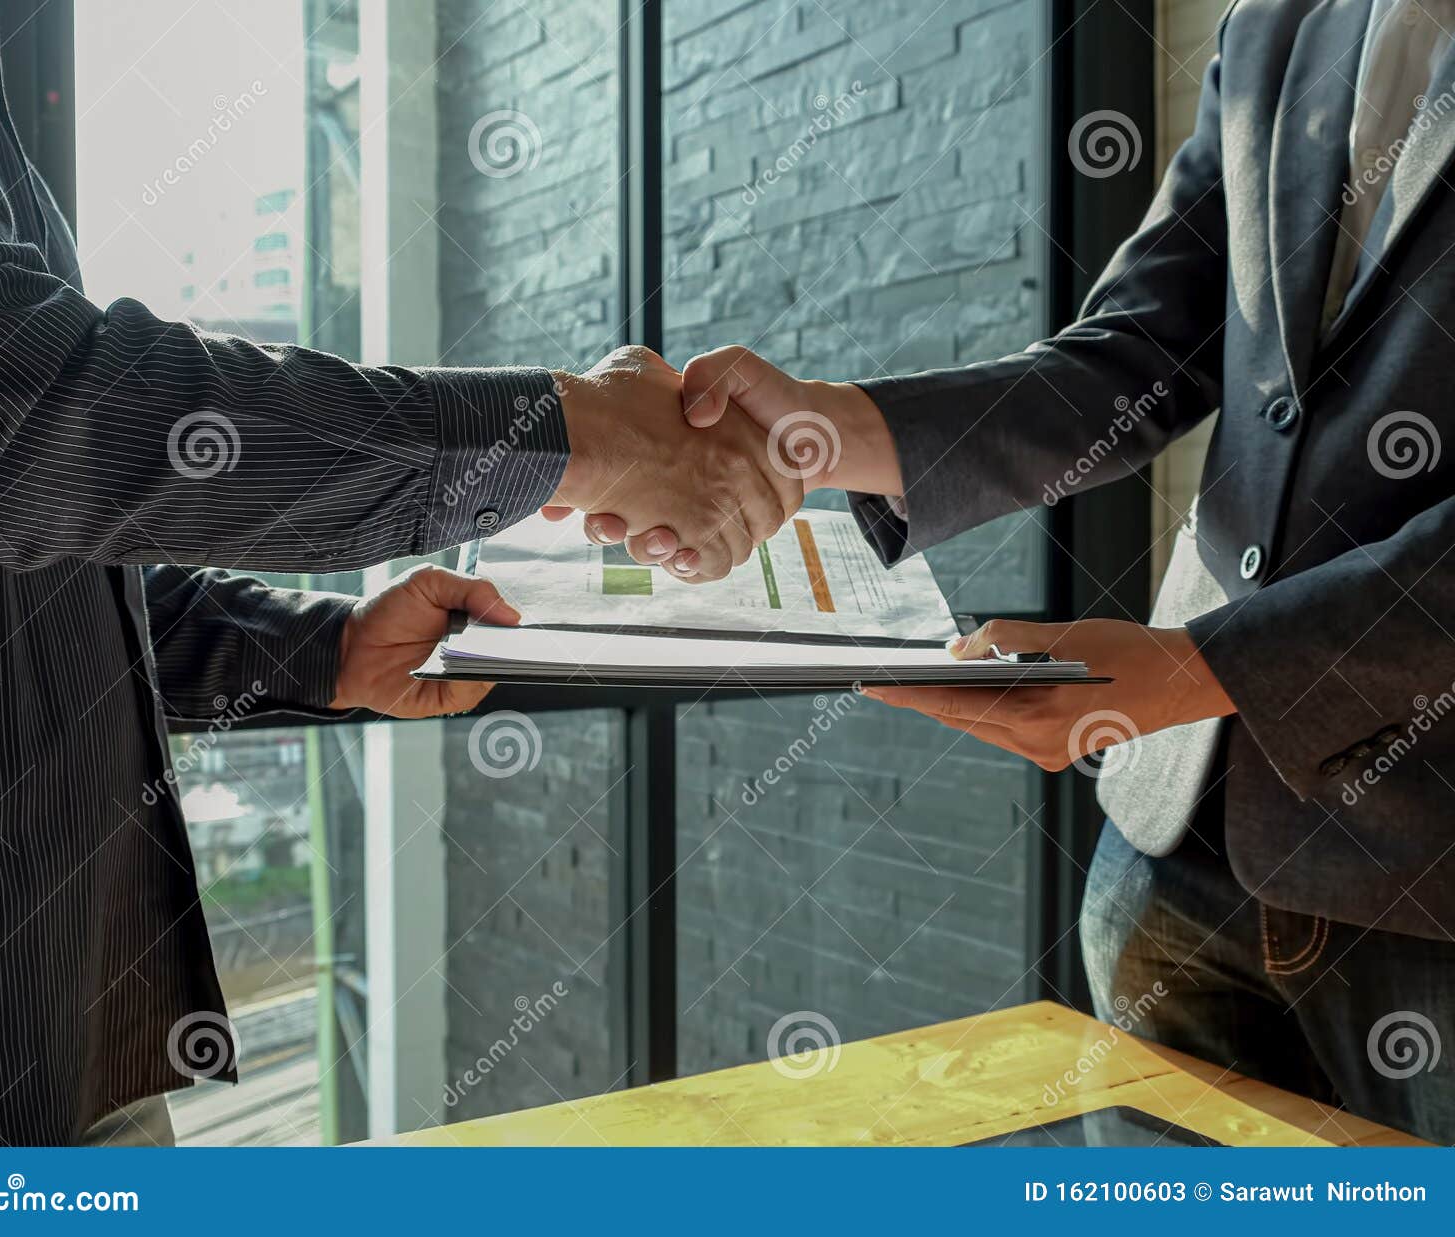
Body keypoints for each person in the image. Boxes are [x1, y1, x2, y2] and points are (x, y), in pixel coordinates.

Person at [0, 3, 798, 1144]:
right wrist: (572, 432)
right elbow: (53, 418)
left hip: (55, 1027)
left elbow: (8, 561)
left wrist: (324, 649)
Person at [599, 0, 1455, 1142]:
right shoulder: (1277, 27)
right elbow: (1134, 354)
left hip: (1423, 878)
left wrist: (1200, 668)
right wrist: (825, 427)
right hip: (1171, 844)